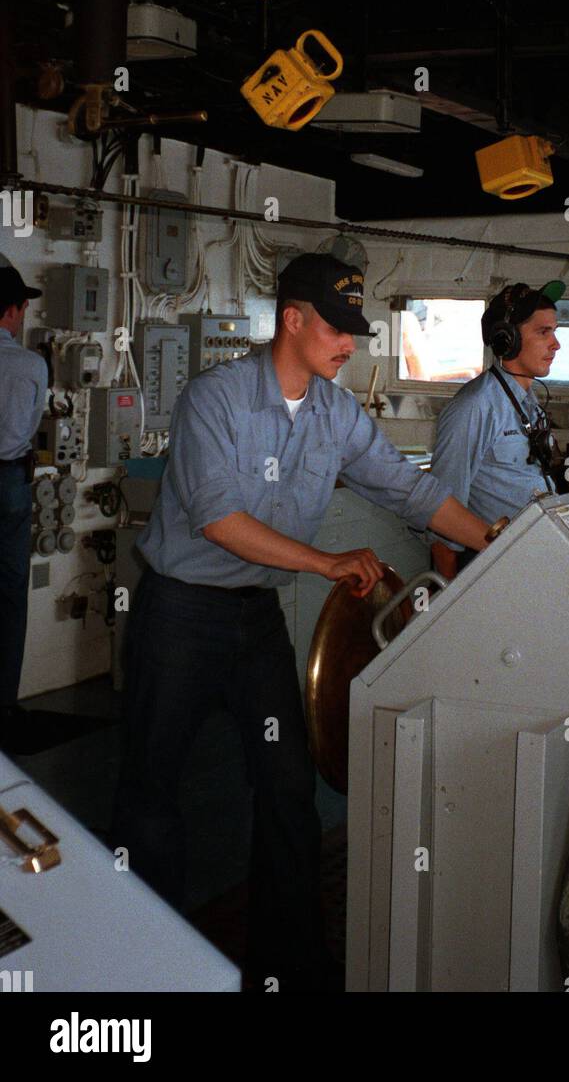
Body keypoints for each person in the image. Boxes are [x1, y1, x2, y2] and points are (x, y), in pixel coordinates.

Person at [111, 252, 490, 990]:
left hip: (253, 620)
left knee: (287, 788)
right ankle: (145, 963)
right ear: (293, 320)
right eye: (339, 328)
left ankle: (289, 962)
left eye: (357, 329)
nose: (351, 343)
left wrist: (495, 541)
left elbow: (408, 490)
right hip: (180, 615)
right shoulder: (213, 400)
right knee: (151, 792)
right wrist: (324, 563)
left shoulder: (336, 412)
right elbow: (219, 519)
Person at [429, 281, 561, 580]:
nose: (556, 345)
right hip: (488, 564)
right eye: (544, 332)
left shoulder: (530, 404)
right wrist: (448, 599)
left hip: (530, 559)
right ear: (507, 340)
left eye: (555, 331)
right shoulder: (474, 407)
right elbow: (440, 509)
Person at [0, 265, 48, 750]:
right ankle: (5, 702)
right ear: (11, 311)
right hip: (11, 481)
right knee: (12, 595)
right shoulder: (33, 366)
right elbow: (34, 423)